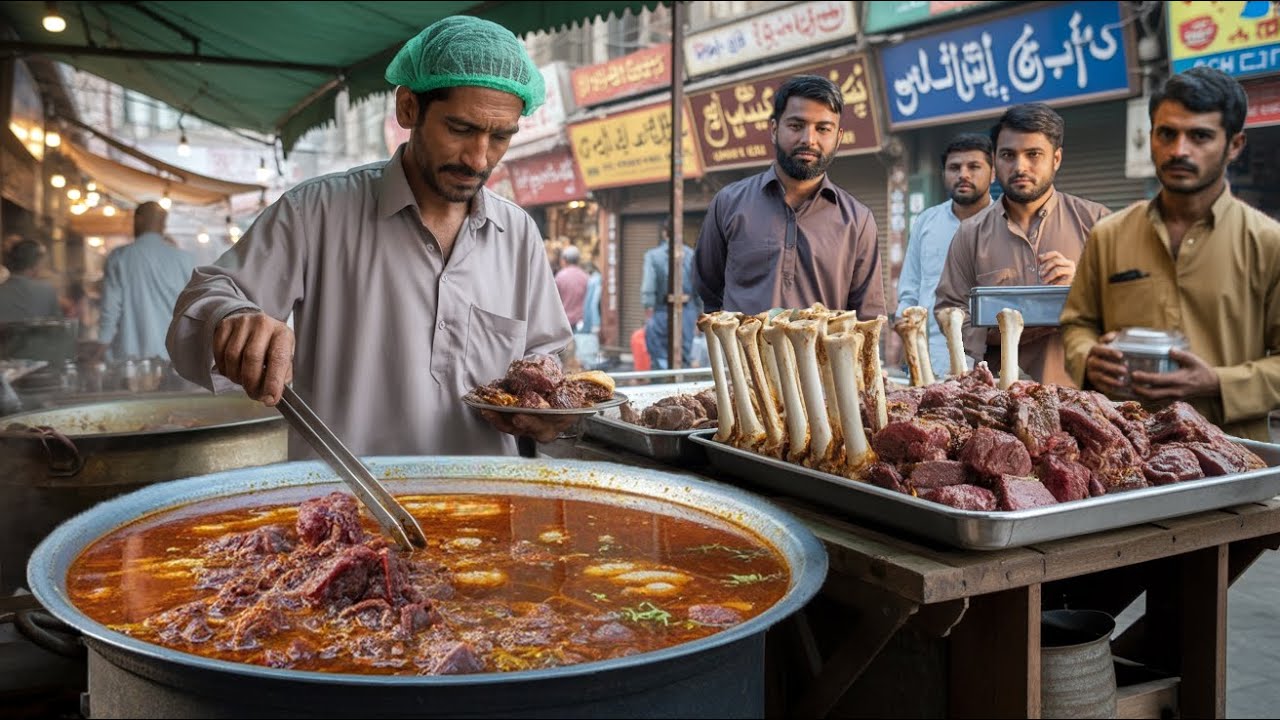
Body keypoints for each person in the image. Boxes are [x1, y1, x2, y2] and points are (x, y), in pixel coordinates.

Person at [166, 16, 573, 458]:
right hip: (343, 510)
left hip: (484, 505)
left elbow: (547, 355)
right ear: (408, 109)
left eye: (499, 137)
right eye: (460, 129)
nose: (478, 158)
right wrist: (232, 317)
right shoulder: (316, 211)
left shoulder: (517, 234)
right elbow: (202, 300)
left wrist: (549, 412)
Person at [1061, 66, 1280, 440]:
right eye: (1167, 134)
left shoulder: (1268, 243)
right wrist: (1088, 358)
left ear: (1235, 145)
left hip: (1235, 457)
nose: (1180, 150)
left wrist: (1217, 382)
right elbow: (1077, 324)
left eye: (1200, 136)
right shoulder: (1108, 235)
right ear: (1151, 138)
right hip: (1126, 453)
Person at [934, 103, 1109, 386]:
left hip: (1084, 401)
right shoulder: (970, 234)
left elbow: (1133, 309)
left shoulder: (1099, 224)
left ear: (1057, 159)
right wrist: (1013, 330)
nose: (1020, 167)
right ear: (995, 160)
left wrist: (1083, 289)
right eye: (1008, 155)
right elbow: (950, 310)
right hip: (1000, 407)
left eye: (1033, 154)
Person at [693, 74, 885, 318]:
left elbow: (867, 315)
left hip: (821, 357)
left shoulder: (857, 221)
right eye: (796, 126)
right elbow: (708, 288)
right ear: (774, 130)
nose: (808, 139)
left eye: (823, 129)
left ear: (838, 138)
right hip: (741, 357)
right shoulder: (729, 203)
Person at [895, 133, 994, 378]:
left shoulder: (1007, 224)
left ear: (993, 173)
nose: (963, 174)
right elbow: (910, 291)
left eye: (974, 167)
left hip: (990, 366)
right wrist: (908, 347)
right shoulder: (926, 222)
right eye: (954, 168)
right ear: (944, 175)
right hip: (931, 364)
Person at [94, 202, 197, 362]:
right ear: (163, 224)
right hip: (175, 358)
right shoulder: (186, 260)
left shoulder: (120, 257)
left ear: (139, 220)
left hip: (131, 359)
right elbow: (194, 310)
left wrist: (100, 348)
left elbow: (110, 308)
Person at [643, 215, 700, 369]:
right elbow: (700, 287)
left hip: (662, 312)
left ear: (664, 233)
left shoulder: (653, 256)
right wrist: (698, 314)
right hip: (688, 312)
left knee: (660, 360)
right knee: (684, 359)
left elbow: (648, 287)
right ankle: (684, 392)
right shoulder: (692, 255)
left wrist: (648, 311)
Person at [0, 239, 60, 323]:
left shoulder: (2, 290)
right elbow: (58, 329)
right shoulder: (47, 291)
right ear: (36, 265)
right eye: (43, 264)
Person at [554, 244, 589, 330]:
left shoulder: (559, 277)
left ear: (564, 260)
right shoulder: (585, 277)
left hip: (564, 322)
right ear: (578, 260)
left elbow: (553, 301)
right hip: (581, 322)